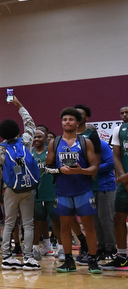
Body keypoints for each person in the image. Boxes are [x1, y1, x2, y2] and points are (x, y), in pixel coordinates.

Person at [45, 107, 101, 273]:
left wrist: (81, 171)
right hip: (63, 191)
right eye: (64, 119)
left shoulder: (86, 142)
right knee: (65, 226)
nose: (67, 122)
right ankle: (69, 260)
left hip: (83, 190)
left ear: (77, 122)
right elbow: (47, 168)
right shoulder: (54, 142)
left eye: (70, 119)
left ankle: (92, 260)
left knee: (88, 226)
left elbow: (94, 167)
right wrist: (59, 170)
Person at [0, 96, 40, 270]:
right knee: (28, 223)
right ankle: (28, 258)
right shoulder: (26, 140)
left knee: (9, 223)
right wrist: (19, 105)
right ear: (17, 130)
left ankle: (7, 257)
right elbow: (30, 123)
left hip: (10, 189)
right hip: (27, 187)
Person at [75, 104, 117, 261]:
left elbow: (112, 163)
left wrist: (92, 169)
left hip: (105, 186)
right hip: (90, 187)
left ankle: (111, 249)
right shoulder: (79, 147)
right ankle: (100, 248)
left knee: (107, 219)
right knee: (96, 220)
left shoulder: (103, 145)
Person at [104, 105, 128, 270]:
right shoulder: (119, 129)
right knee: (118, 217)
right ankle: (122, 256)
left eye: (127, 112)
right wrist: (122, 177)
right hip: (124, 181)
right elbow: (116, 156)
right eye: (122, 113)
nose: (125, 115)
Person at [30, 127, 60, 261]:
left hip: (51, 190)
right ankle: (36, 248)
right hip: (35, 192)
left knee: (55, 221)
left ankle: (61, 248)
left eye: (39, 137)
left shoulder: (51, 151)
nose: (36, 139)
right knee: (37, 221)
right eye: (34, 137)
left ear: (46, 137)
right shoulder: (29, 153)